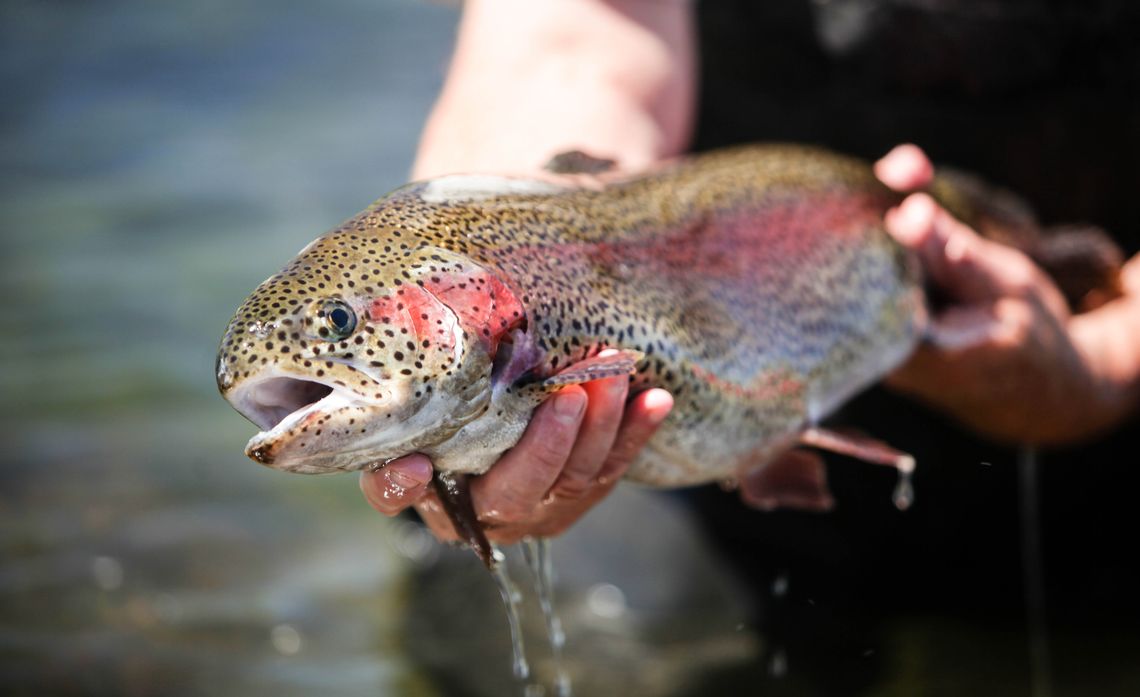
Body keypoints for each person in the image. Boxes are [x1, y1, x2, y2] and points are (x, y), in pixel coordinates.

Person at [361, 0, 1140, 687]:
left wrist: (1107, 360)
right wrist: (536, 242)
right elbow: (576, 37)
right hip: (686, 416)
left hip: (1102, 405)